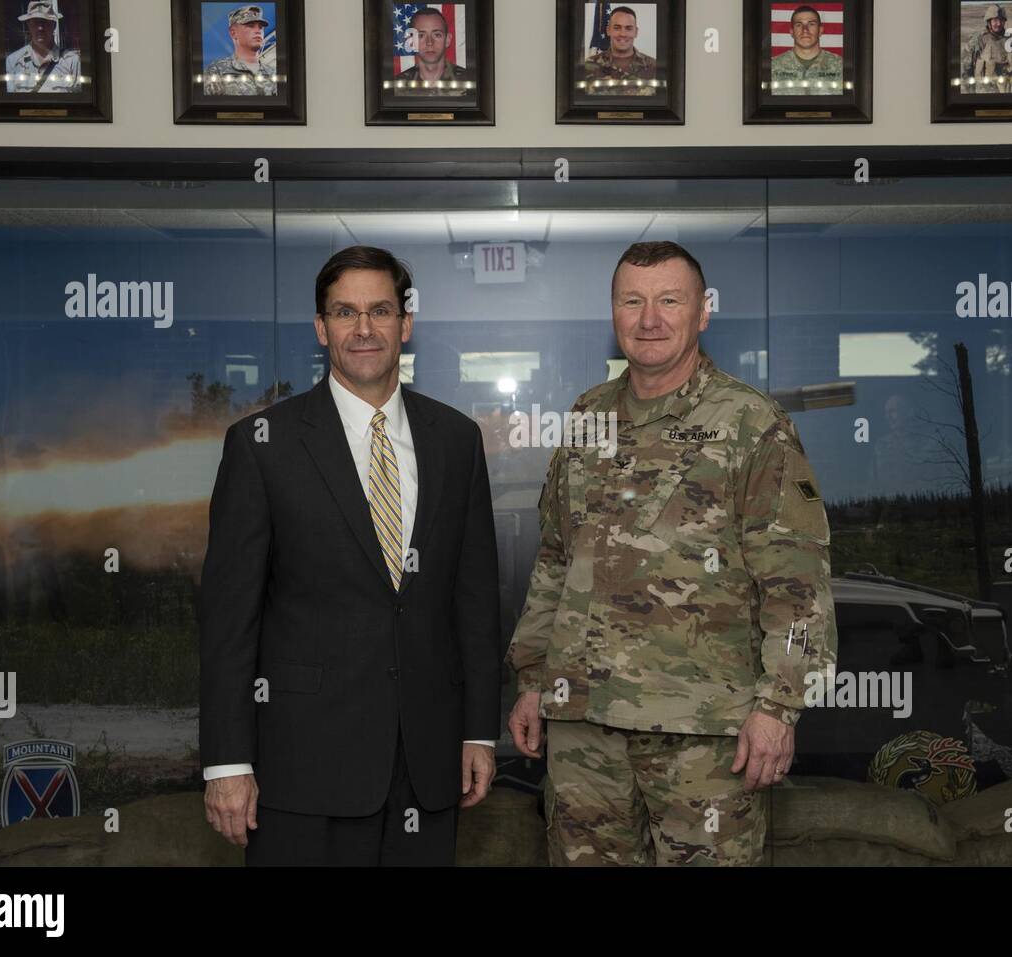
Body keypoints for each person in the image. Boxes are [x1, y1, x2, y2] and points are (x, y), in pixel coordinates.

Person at [505, 241, 838, 866]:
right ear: (613, 312)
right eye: (632, 301)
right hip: (584, 732)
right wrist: (531, 679)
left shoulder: (750, 424)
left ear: (702, 312)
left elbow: (797, 583)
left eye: (668, 300)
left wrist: (779, 708)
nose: (649, 318)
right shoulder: (586, 417)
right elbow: (555, 558)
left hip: (705, 734)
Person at [200, 246, 501, 866]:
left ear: (405, 324)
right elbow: (229, 621)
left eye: (380, 311)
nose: (364, 329)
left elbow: (473, 598)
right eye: (345, 313)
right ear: (321, 328)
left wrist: (478, 730)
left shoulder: (456, 440)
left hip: (426, 765)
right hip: (302, 770)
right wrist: (227, 762)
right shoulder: (262, 446)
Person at [5, 1, 82, 94]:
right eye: (35, 22)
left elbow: (78, 104)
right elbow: (11, 104)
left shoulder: (71, 62)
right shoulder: (13, 61)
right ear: (28, 25)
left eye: (45, 22)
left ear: (54, 25)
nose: (40, 28)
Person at [394, 7, 473, 96]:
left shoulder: (470, 82)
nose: (429, 42)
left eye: (437, 35)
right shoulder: (396, 86)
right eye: (421, 35)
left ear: (447, 40)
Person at [202, 5, 278, 96]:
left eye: (261, 27)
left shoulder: (273, 73)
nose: (258, 31)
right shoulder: (216, 71)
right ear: (233, 33)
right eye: (250, 26)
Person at [770, 5, 844, 94]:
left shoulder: (840, 66)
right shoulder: (773, 66)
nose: (805, 30)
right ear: (792, 32)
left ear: (820, 31)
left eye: (811, 24)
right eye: (799, 25)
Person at [583, 6, 658, 95]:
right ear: (608, 30)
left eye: (628, 28)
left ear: (636, 32)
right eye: (617, 28)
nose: (622, 34)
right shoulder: (588, 66)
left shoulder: (655, 67)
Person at [959, 4, 1012, 93]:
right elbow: (966, 71)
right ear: (989, 22)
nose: (998, 24)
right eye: (995, 20)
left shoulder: (1011, 42)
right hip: (985, 96)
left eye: (1001, 20)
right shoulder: (978, 41)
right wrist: (970, 95)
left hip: (1009, 95)